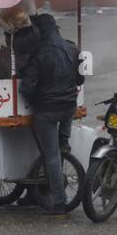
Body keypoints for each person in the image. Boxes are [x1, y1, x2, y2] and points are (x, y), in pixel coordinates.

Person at [13, 13, 81, 216]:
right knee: (56, 151)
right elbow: (80, 80)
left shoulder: (39, 53)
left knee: (51, 156)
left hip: (47, 111)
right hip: (69, 106)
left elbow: (27, 88)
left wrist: (33, 101)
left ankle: (59, 202)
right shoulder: (72, 48)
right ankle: (64, 138)